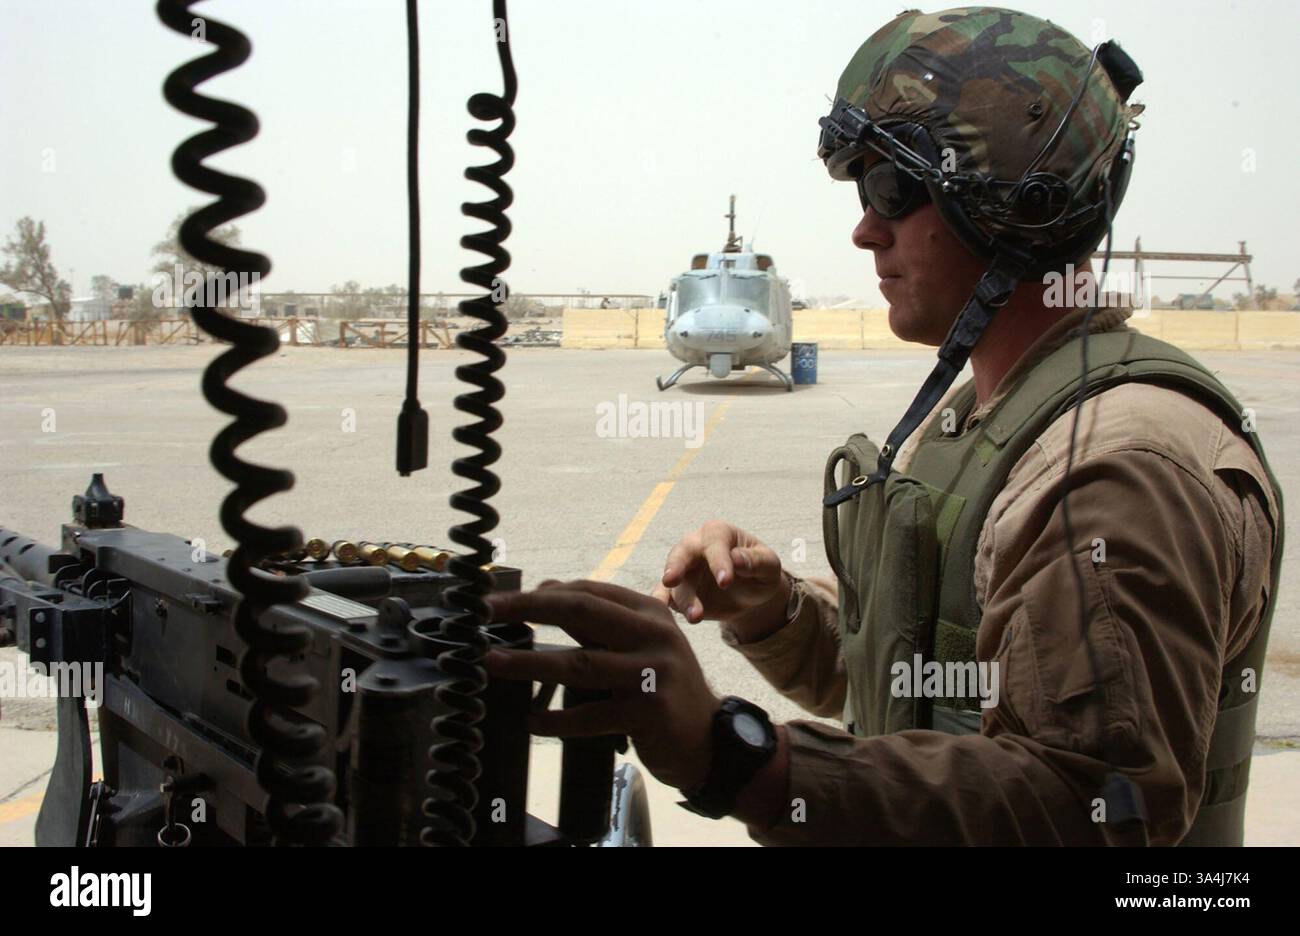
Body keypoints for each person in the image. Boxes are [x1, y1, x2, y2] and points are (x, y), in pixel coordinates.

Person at [484, 6, 1283, 845]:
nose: (865, 229)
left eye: (893, 190)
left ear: (1013, 201)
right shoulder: (990, 414)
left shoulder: (1118, 468)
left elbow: (1088, 806)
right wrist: (776, 613)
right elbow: (919, 687)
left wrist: (733, 757)